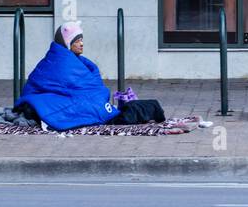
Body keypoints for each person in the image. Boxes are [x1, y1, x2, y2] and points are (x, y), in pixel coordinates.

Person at [15, 23, 166, 129]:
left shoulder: (72, 60)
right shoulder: (60, 61)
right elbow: (78, 88)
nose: (81, 44)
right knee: (124, 112)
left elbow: (83, 84)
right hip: (64, 102)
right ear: (67, 43)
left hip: (60, 100)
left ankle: (150, 108)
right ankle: (152, 109)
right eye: (77, 40)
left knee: (133, 110)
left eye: (81, 40)